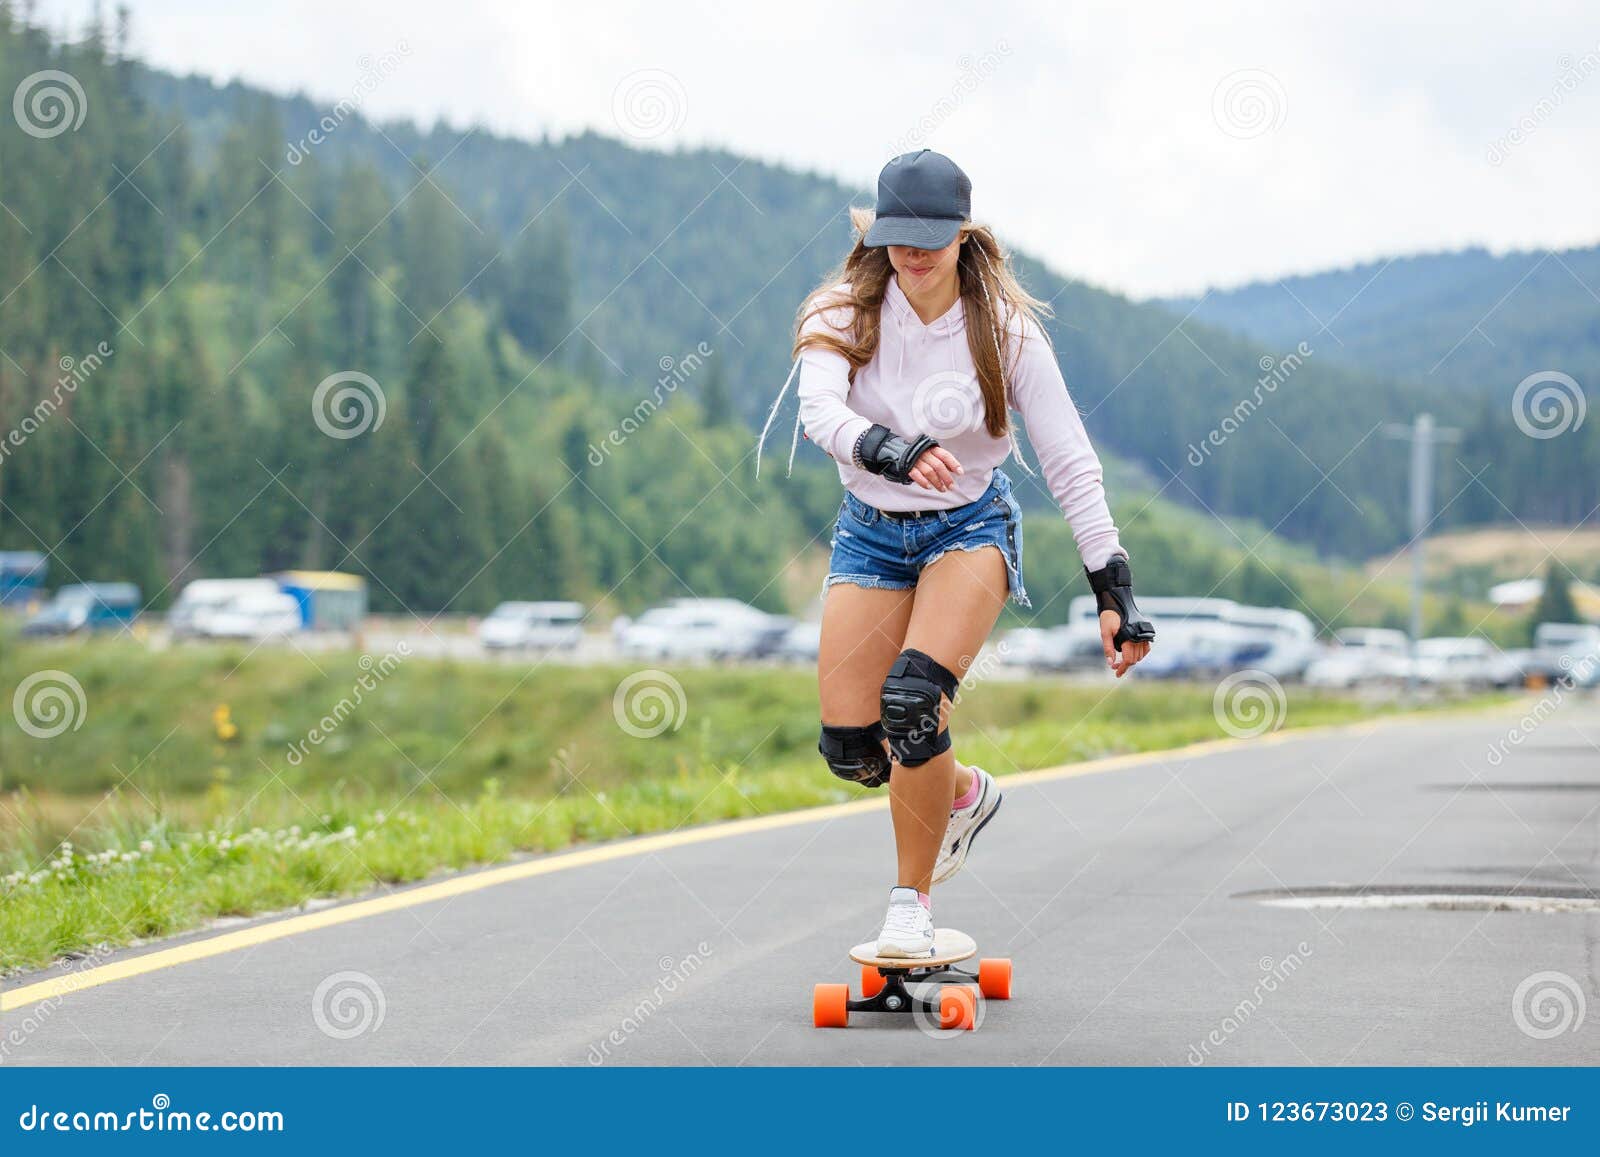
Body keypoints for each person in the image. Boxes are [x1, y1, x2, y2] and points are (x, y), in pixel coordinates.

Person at [758, 149, 1154, 957]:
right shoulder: (843, 312)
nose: (916, 252)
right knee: (853, 746)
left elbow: (1070, 458)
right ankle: (963, 792)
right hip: (871, 528)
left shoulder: (1003, 330)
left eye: (934, 236)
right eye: (900, 235)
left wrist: (1113, 586)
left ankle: (911, 903)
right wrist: (891, 450)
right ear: (879, 234)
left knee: (913, 703)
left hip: (967, 527)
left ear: (964, 233)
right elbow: (819, 413)